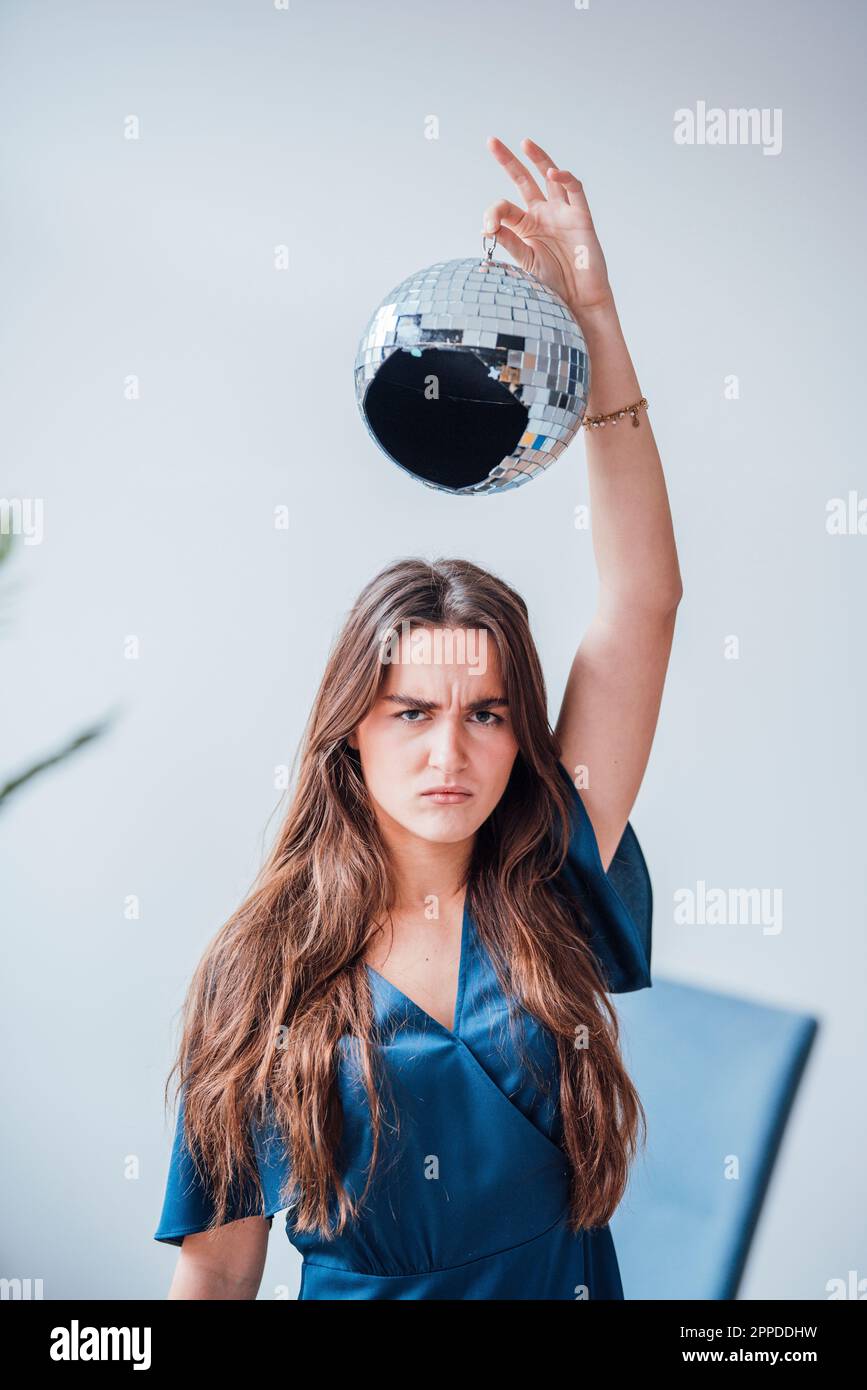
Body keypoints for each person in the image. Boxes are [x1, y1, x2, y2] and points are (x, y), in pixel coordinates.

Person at [153, 136, 683, 1299]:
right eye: (411, 712)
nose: (453, 750)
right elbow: (218, 1283)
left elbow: (643, 599)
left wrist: (590, 313)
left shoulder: (551, 874)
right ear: (351, 730)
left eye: (489, 713)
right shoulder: (260, 972)